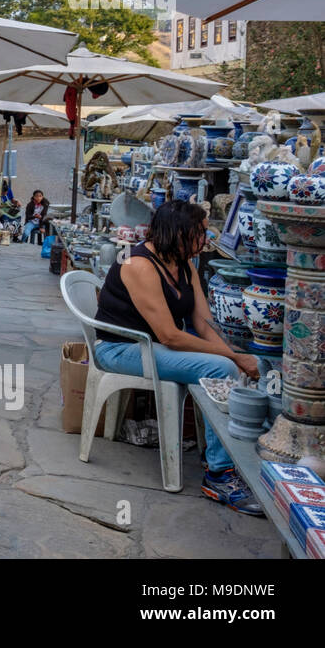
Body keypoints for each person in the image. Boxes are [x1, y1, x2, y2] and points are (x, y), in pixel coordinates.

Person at [93, 200, 263, 516]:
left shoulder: (184, 264)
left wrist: (236, 354)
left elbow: (203, 323)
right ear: (179, 233)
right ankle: (219, 475)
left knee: (229, 365)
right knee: (222, 367)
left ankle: (223, 451)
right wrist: (233, 357)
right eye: (200, 233)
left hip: (155, 347)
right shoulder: (137, 262)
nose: (206, 240)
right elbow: (170, 335)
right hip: (120, 349)